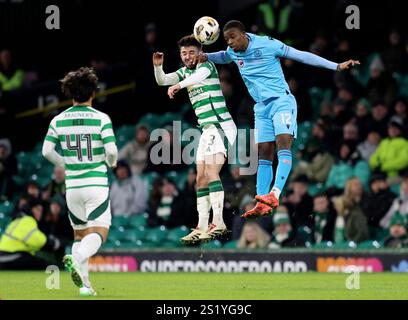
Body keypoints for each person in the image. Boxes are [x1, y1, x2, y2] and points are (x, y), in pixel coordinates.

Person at [199, 20, 360, 218]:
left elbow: (301, 55)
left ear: (244, 33)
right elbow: (224, 56)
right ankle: (261, 200)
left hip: (281, 101)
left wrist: (335, 65)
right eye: (226, 39)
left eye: (232, 37)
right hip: (261, 107)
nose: (230, 42)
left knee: (282, 144)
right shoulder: (232, 51)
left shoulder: (267, 44)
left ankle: (275, 194)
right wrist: (206, 56)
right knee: (264, 153)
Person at [153, 35, 237, 243]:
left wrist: (179, 86)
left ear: (200, 52)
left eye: (191, 52)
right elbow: (162, 80)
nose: (188, 56)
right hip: (207, 130)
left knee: (210, 172)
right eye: (184, 53)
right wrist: (158, 67)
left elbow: (195, 79)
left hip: (221, 126)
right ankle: (201, 226)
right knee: (200, 179)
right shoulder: (184, 72)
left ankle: (218, 222)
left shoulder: (207, 67)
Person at [42, 67, 118, 297]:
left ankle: (86, 287)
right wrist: (111, 162)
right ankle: (76, 258)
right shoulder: (101, 119)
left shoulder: (58, 120)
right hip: (95, 185)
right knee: (100, 232)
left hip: (72, 187)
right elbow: (112, 151)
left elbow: (47, 151)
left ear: (70, 93)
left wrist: (66, 164)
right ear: (93, 92)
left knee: (80, 235)